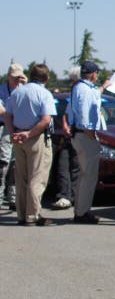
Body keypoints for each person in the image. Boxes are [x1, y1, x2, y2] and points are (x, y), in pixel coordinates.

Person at [5, 64, 57, 226]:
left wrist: (13, 132)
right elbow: (46, 119)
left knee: (21, 177)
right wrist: (29, 134)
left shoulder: (17, 92)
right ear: (46, 78)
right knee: (37, 177)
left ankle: (22, 214)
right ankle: (33, 214)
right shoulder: (44, 93)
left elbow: (7, 115)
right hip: (35, 137)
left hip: (18, 137)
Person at [65, 61, 112, 224]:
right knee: (89, 176)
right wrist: (90, 133)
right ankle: (82, 212)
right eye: (97, 73)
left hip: (80, 134)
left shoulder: (81, 87)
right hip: (84, 135)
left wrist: (103, 87)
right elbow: (85, 114)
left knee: (85, 175)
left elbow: (94, 95)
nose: (97, 75)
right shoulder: (84, 89)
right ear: (93, 74)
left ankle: (80, 210)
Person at [53, 66, 81, 210]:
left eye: (72, 80)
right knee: (63, 165)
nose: (71, 83)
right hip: (67, 135)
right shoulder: (74, 92)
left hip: (78, 133)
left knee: (75, 167)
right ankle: (64, 196)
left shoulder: (81, 91)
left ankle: (72, 197)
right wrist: (64, 125)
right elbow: (66, 112)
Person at [0, 63, 27, 210]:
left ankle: (13, 198)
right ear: (9, 77)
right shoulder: (2, 90)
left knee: (16, 164)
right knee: (4, 162)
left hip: (19, 128)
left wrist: (26, 85)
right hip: (4, 128)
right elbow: (2, 111)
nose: (18, 80)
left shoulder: (24, 89)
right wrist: (11, 115)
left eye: (20, 77)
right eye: (15, 77)